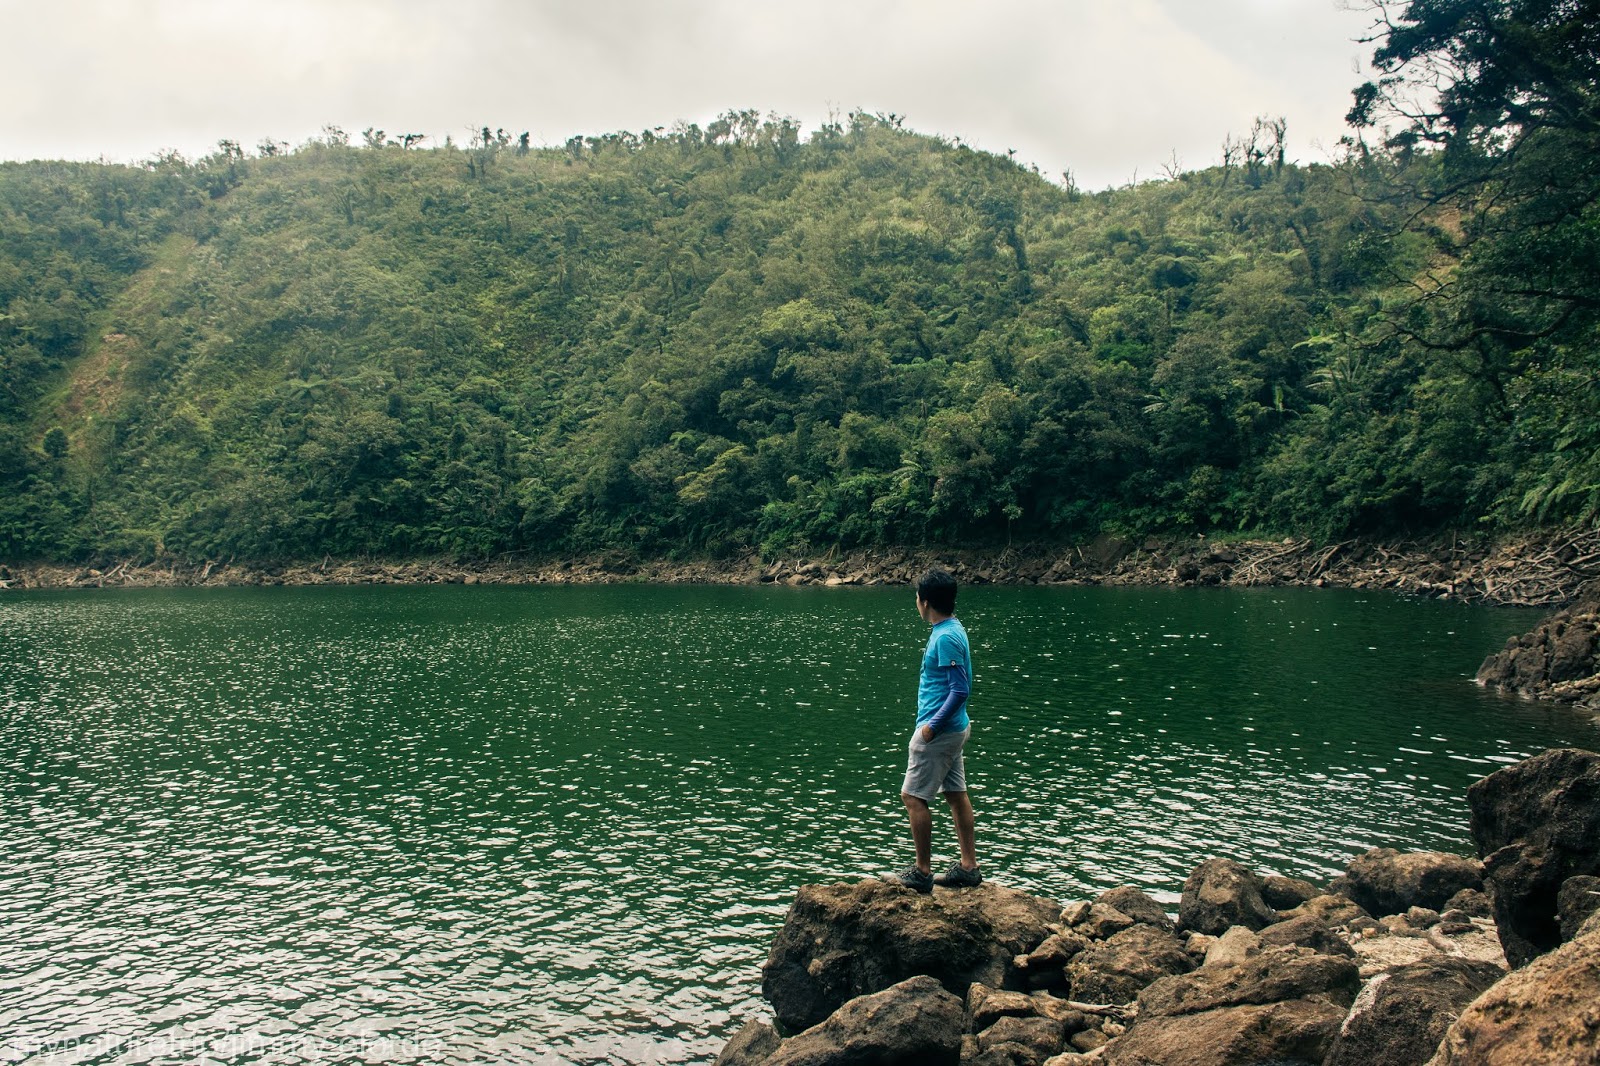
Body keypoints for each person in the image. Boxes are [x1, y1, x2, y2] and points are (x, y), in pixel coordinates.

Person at [885, 567, 981, 893]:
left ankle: (922, 872)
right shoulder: (950, 628)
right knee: (955, 795)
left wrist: (930, 728)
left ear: (925, 602)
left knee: (912, 797)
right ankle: (968, 867)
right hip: (954, 729)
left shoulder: (947, 637)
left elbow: (960, 690)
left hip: (939, 732)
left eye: (917, 597)